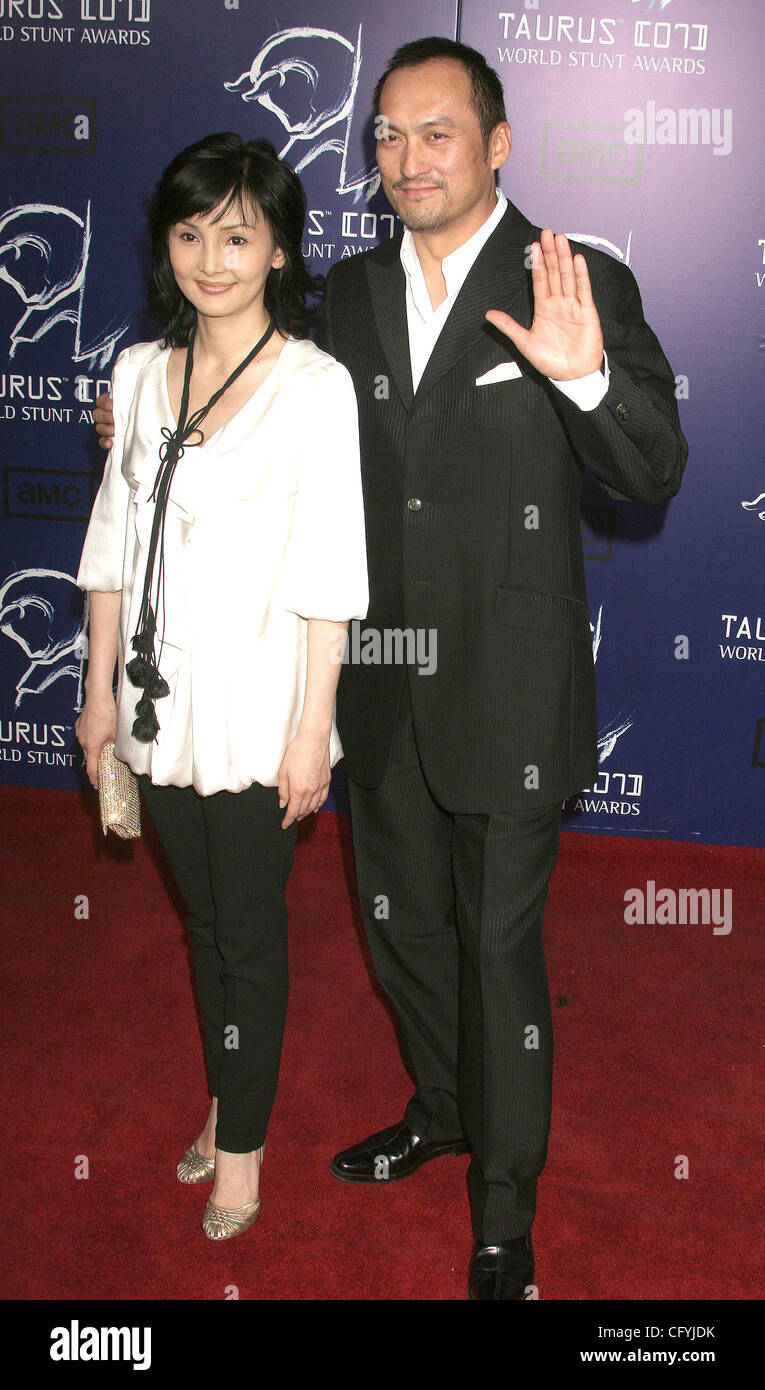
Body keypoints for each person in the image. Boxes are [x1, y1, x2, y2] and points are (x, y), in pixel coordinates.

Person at [94, 40, 688, 1298]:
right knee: (400, 927)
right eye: (386, 138)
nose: (407, 159)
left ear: (498, 142)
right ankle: (443, 1106)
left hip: (512, 680)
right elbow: (257, 389)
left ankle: (503, 1210)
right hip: (374, 676)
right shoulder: (347, 296)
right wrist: (148, 415)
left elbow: (652, 469)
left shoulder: (575, 281)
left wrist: (583, 376)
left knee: (497, 941)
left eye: (437, 133)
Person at [76, 131, 368, 1242]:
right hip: (157, 709)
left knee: (247, 932)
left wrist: (312, 730)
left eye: (237, 235)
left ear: (280, 251)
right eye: (192, 233)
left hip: (257, 712)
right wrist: (98, 697)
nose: (211, 257)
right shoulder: (140, 374)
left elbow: (333, 573)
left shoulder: (315, 386)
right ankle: (222, 1095)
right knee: (203, 928)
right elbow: (111, 548)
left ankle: (240, 1143)